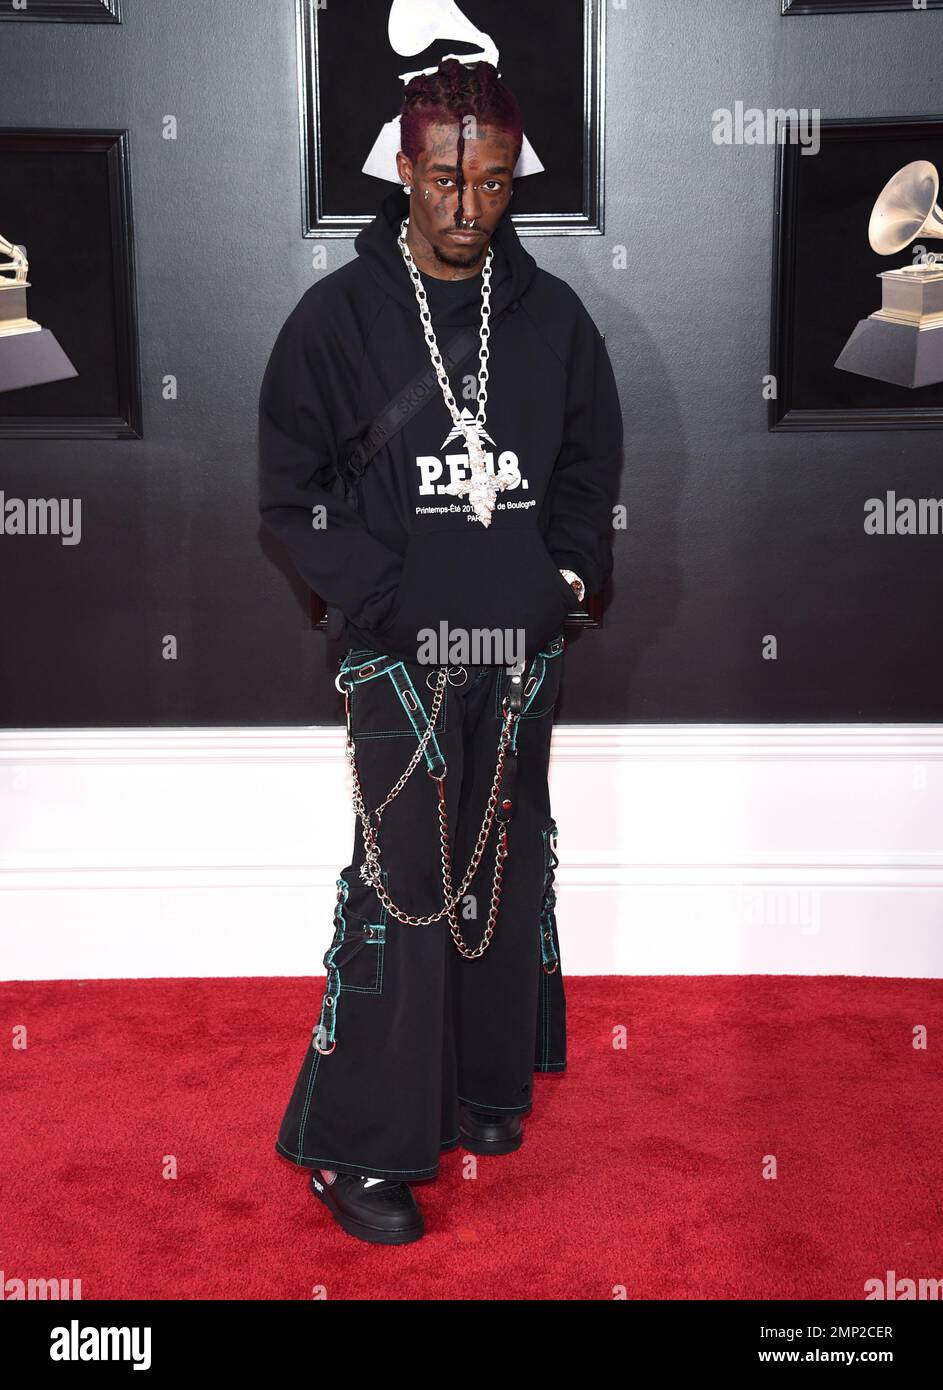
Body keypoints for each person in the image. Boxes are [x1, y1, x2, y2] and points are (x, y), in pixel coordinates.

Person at [258, 58, 623, 1245]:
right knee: (408, 888)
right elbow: (289, 495)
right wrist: (390, 607)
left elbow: (586, 468)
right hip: (397, 656)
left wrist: (558, 581)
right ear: (403, 171)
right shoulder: (337, 318)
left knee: (504, 864)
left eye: (492, 184)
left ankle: (478, 1084)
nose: (467, 209)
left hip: (519, 648)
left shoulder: (554, 318)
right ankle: (355, 1144)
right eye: (444, 181)